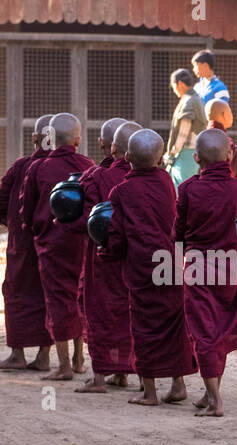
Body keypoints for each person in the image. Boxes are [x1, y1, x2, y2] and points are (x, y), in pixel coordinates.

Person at [102, 128, 196, 406]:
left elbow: (117, 232)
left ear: (127, 156)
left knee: (144, 327)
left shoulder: (121, 191)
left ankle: (150, 392)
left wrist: (107, 252)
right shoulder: (167, 180)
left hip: (142, 265)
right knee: (174, 323)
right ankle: (178, 385)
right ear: (161, 157)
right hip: (168, 261)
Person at [176, 129, 237, 417]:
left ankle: (216, 400)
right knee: (220, 329)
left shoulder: (187, 189)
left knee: (204, 332)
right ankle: (210, 394)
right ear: (229, 156)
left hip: (200, 269)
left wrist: (177, 261)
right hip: (234, 268)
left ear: (196, 159)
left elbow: (179, 233)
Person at [19, 112, 93, 381]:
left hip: (51, 244)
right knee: (78, 296)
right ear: (78, 139)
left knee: (58, 300)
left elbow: (25, 209)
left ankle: (63, 366)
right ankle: (78, 359)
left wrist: (33, 229)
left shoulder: (38, 168)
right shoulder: (88, 166)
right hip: (82, 243)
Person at [70, 119, 139, 393]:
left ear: (108, 146)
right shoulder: (156, 179)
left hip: (102, 257)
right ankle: (123, 372)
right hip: (136, 259)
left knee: (98, 310)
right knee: (128, 311)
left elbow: (85, 220)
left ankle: (99, 376)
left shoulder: (96, 177)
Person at [0, 114, 54, 372]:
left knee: (17, 292)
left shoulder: (22, 166)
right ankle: (45, 354)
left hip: (22, 245)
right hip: (57, 246)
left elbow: (1, 200)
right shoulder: (78, 167)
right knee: (50, 294)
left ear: (34, 138)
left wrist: (12, 223)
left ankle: (17, 354)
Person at [165, 69, 206, 187]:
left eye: (173, 86)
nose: (173, 90)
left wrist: (171, 154)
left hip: (186, 154)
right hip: (192, 153)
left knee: (180, 189)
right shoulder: (195, 98)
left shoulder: (189, 102)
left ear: (180, 84)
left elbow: (183, 133)